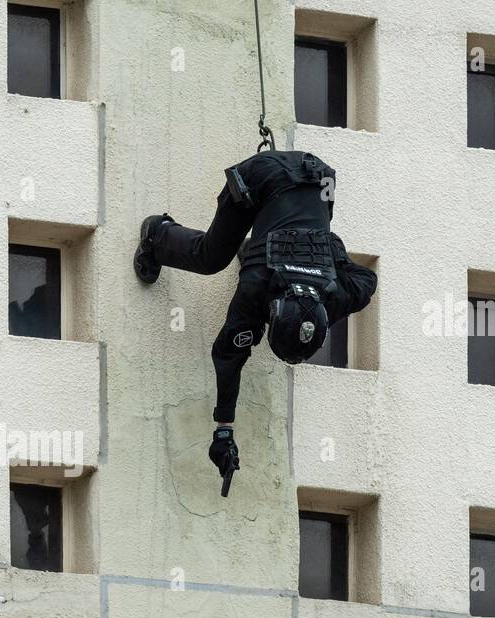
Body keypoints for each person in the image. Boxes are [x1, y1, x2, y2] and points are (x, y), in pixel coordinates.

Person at [133, 149, 379, 487]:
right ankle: (157, 233)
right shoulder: (256, 289)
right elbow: (227, 356)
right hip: (265, 176)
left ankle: (255, 247)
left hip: (321, 178)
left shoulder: (336, 294)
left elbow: (367, 279)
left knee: (266, 244)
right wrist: (222, 429)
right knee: (211, 257)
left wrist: (329, 253)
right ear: (271, 316)